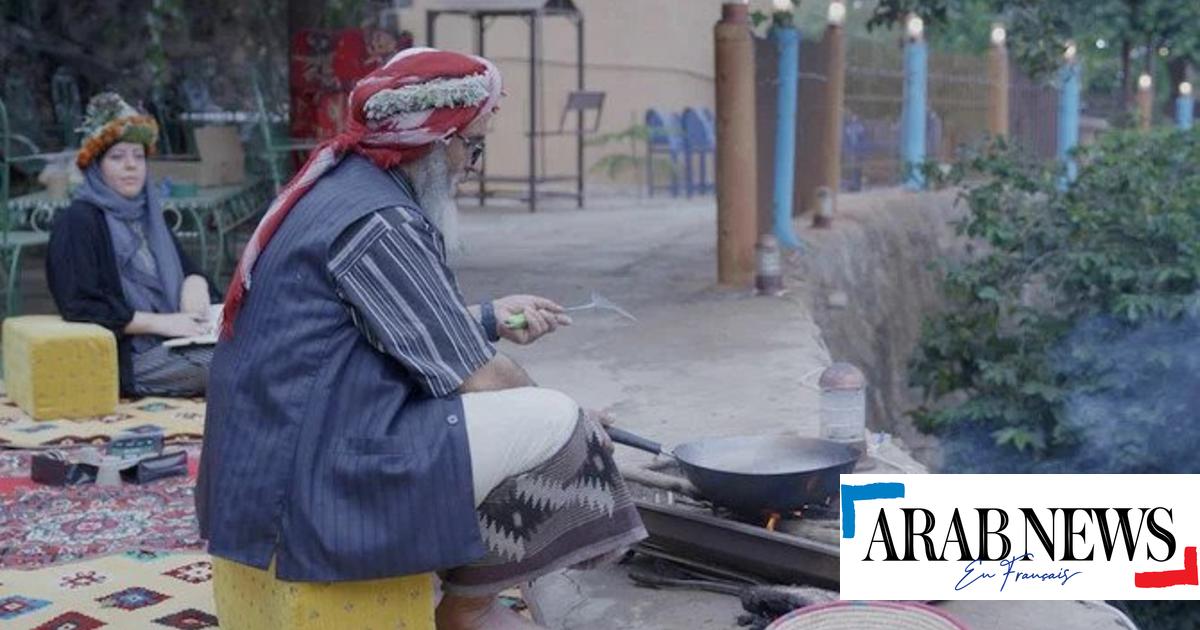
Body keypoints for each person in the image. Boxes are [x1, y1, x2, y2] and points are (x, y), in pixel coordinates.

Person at [196, 48, 646, 630]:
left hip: (275, 465)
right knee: (554, 422)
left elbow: (374, 324)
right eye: (473, 145)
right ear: (435, 144)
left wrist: (484, 317)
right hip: (311, 483)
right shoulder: (379, 221)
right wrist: (577, 424)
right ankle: (465, 611)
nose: (473, 165)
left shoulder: (340, 186)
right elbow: (481, 377)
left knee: (505, 415)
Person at [46, 93, 215, 398]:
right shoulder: (78, 221)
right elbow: (81, 304)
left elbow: (188, 269)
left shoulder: (147, 216)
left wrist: (195, 284)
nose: (130, 166)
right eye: (117, 157)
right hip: (128, 357)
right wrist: (163, 323)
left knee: (252, 345)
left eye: (138, 156)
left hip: (173, 342)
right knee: (224, 364)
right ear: (97, 166)